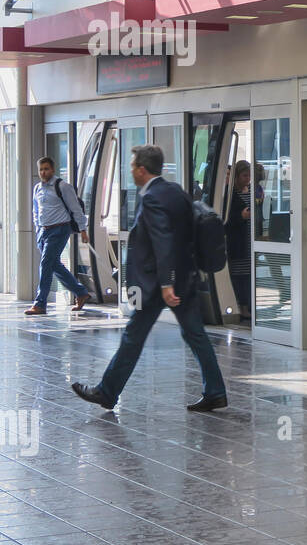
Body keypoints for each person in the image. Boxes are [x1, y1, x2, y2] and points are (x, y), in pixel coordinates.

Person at [71, 145, 228, 412]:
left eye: (132, 167)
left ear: (142, 170)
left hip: (157, 285)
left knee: (134, 336)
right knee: (195, 335)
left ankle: (107, 392)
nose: (131, 171)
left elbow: (163, 242)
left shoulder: (152, 198)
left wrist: (167, 283)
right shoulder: (176, 191)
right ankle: (215, 391)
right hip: (185, 279)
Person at [26, 156, 91, 315]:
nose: (43, 172)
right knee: (54, 265)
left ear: (53, 169)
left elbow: (76, 209)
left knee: (46, 264)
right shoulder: (37, 188)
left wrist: (83, 230)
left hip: (60, 229)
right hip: (43, 230)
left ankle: (40, 303)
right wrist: (38, 229)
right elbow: (36, 210)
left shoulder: (62, 186)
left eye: (46, 169)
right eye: (41, 169)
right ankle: (81, 293)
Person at [224, 160, 253, 321]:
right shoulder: (230, 194)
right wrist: (240, 216)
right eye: (244, 175)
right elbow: (226, 218)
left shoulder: (253, 191)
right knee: (240, 275)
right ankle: (241, 306)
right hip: (239, 240)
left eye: (249, 175)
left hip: (250, 238)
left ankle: (247, 305)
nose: (247, 179)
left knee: (248, 274)